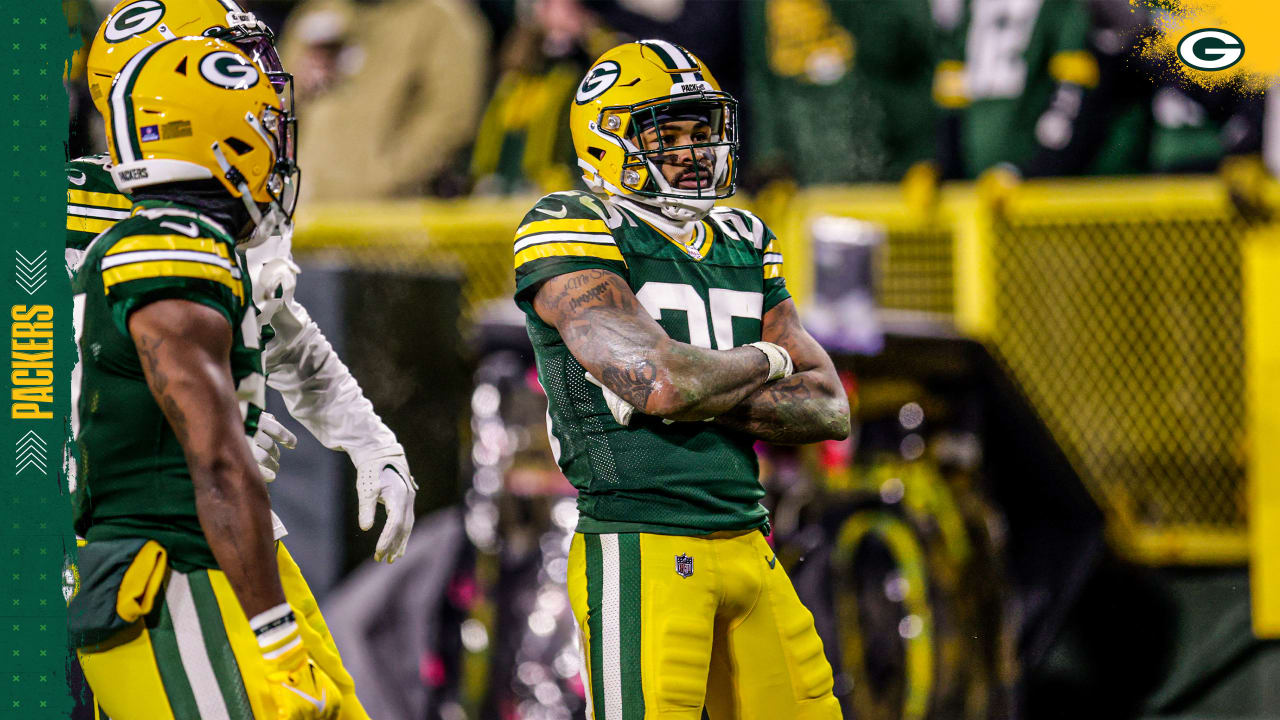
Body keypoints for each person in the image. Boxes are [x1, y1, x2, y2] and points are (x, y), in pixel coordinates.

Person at [512, 40, 850, 719]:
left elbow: (827, 406)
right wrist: (767, 360)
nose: (694, 152)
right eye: (667, 135)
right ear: (608, 142)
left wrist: (697, 385)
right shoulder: (573, 223)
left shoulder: (742, 235)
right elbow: (662, 383)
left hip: (748, 537)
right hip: (640, 539)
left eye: (703, 133)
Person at [69, 36, 342, 719]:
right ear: (218, 136)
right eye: (262, 124)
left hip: (154, 569)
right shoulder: (172, 246)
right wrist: (278, 642)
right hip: (166, 579)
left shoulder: (161, 236)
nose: (277, 148)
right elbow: (218, 467)